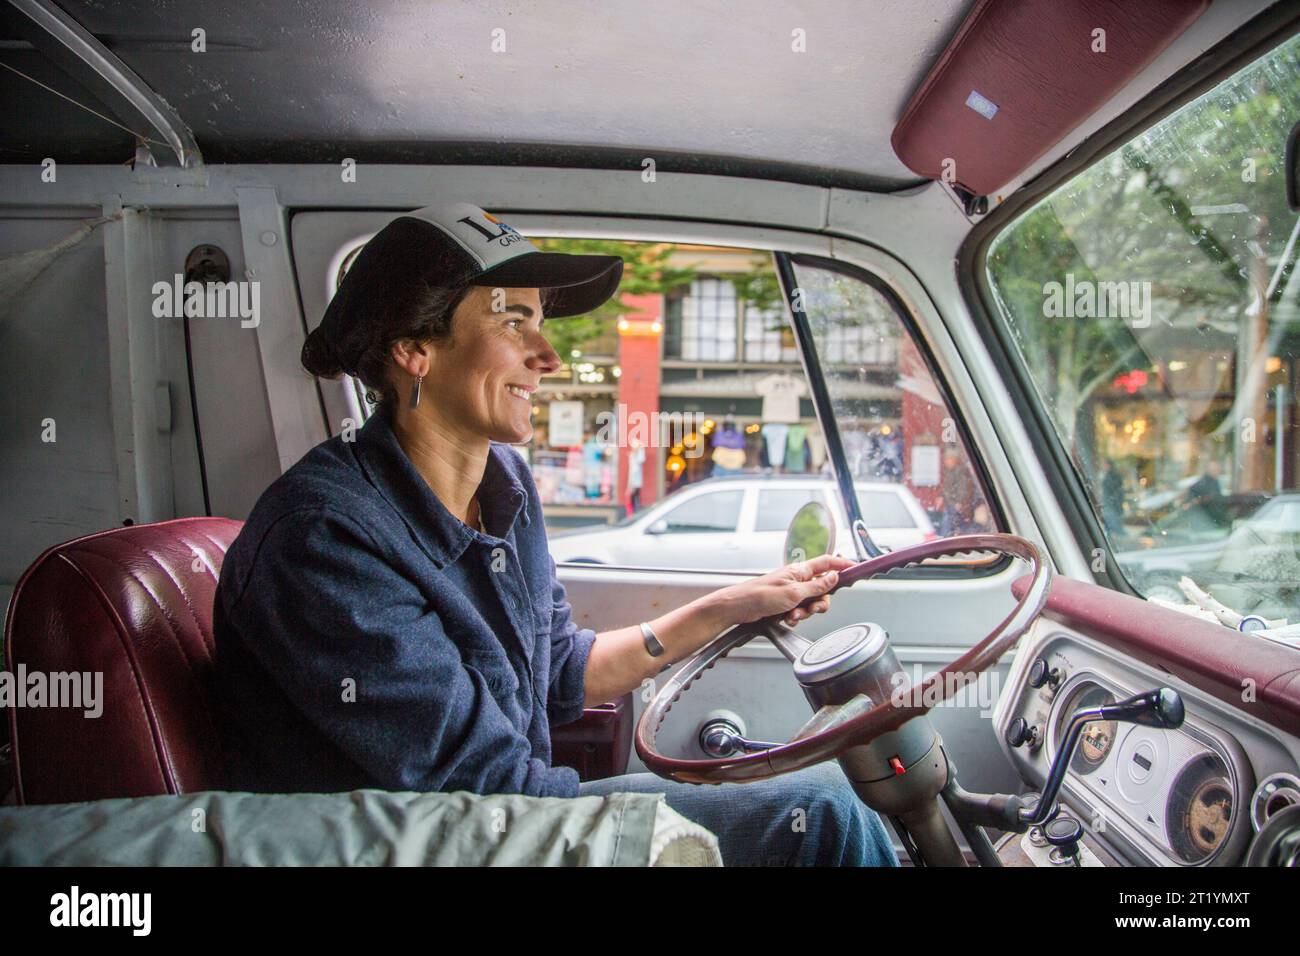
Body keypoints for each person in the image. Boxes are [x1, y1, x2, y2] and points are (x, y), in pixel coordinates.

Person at [212, 202, 896, 867]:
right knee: (824, 812)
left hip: (510, 823)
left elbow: (560, 672)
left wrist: (732, 606)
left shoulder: (503, 486)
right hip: (454, 839)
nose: (550, 357)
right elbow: (488, 800)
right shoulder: (323, 540)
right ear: (414, 348)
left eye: (540, 323)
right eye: (514, 321)